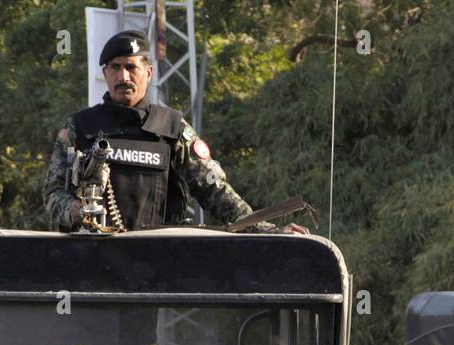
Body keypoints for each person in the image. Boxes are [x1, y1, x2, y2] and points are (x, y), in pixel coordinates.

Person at [42, 30, 309, 234]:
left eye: (131, 67)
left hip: (158, 265)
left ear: (148, 72)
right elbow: (53, 194)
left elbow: (215, 192)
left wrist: (270, 231)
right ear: (105, 73)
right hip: (90, 263)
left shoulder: (172, 129)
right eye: (115, 67)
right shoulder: (79, 127)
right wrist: (77, 210)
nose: (123, 77)